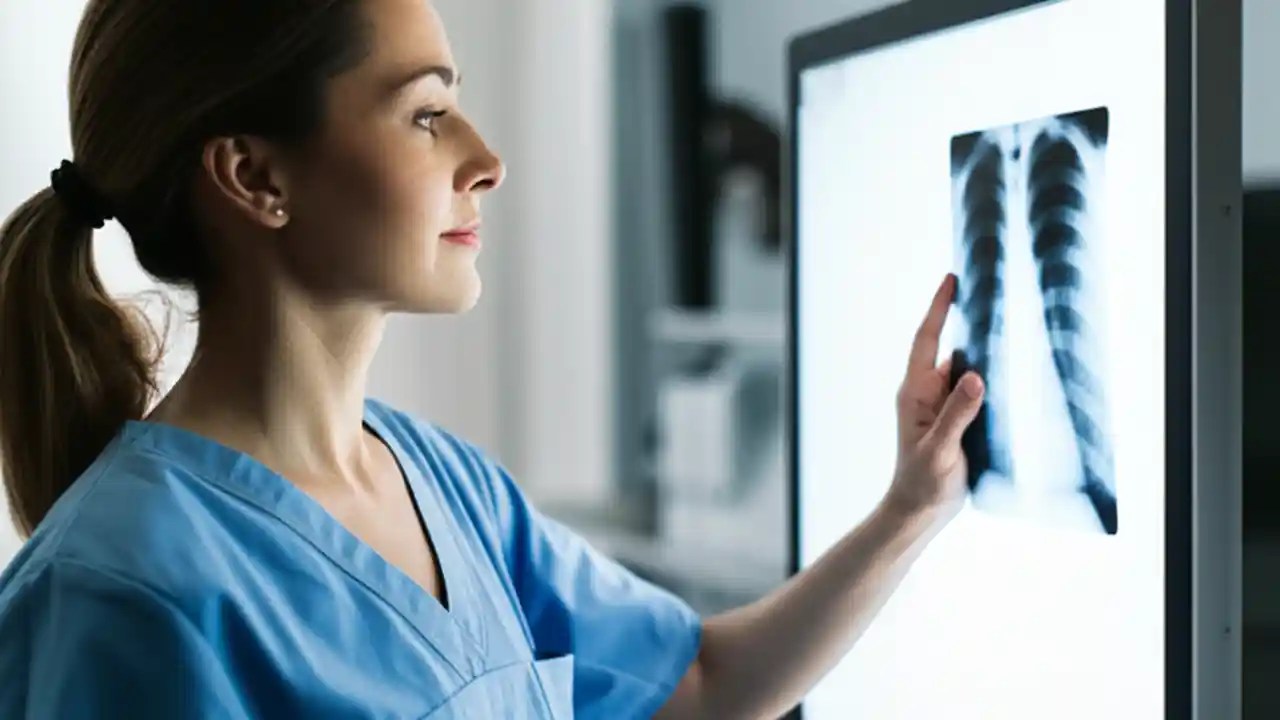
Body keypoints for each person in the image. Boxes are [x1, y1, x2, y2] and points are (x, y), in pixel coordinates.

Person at [0, 1, 985, 718]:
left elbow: (701, 686)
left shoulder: (443, 483)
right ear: (256, 176)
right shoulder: (120, 592)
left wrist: (909, 509)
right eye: (426, 115)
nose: (486, 158)